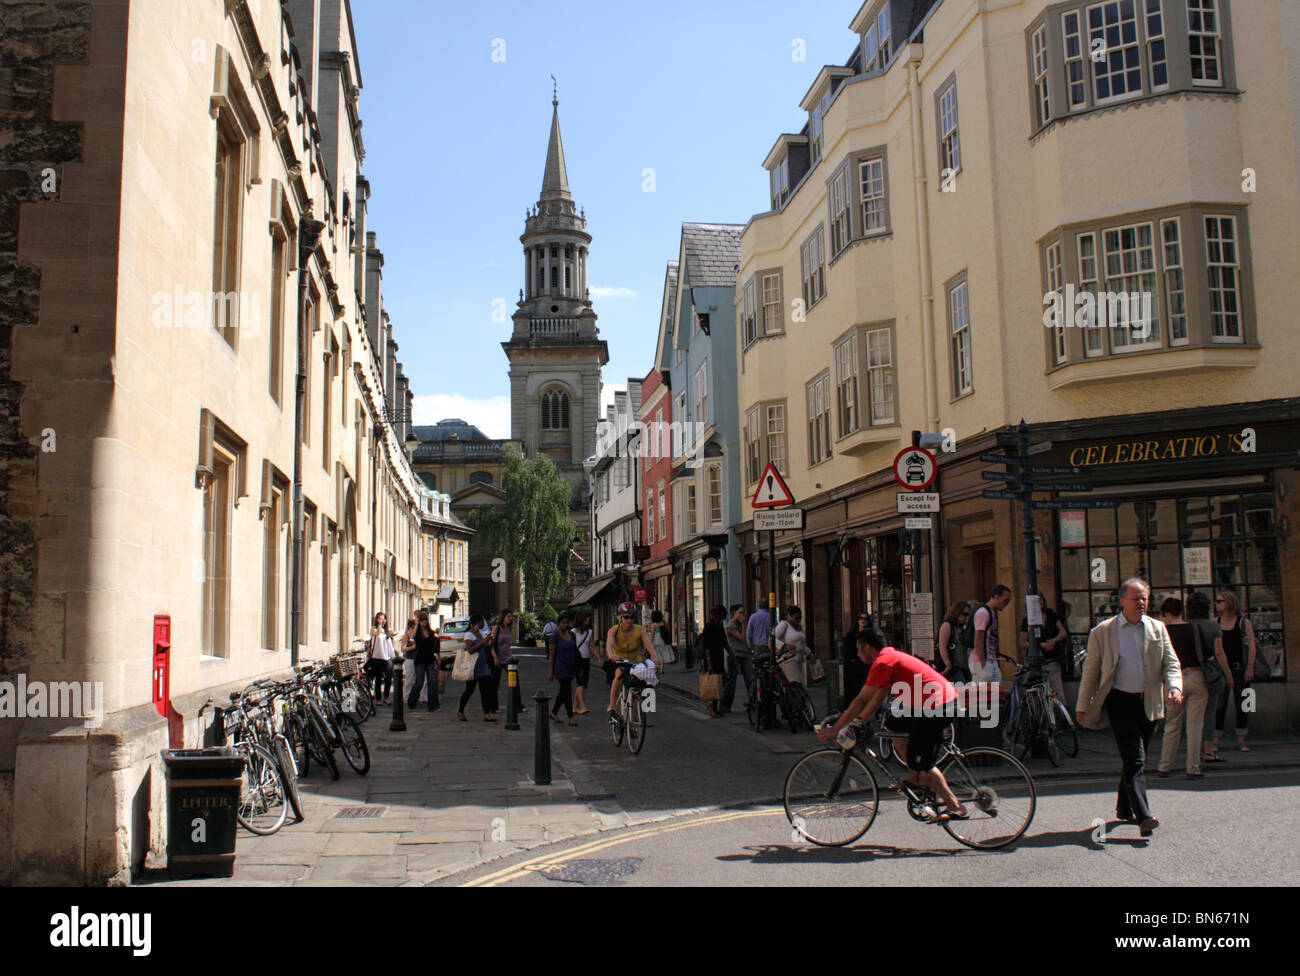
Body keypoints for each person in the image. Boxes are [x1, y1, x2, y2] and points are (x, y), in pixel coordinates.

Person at [820, 627, 966, 822]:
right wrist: (858, 722)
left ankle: (954, 805)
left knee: (921, 759)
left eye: (858, 649)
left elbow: (862, 700)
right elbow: (876, 699)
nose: (857, 653)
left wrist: (835, 729)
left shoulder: (883, 662)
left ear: (867, 647)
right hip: (929, 701)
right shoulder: (889, 657)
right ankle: (916, 778)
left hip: (938, 705)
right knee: (893, 725)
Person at [1075, 578, 1182, 836]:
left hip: (1148, 702)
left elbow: (1171, 663)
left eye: (1144, 598)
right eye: (1135, 598)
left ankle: (1124, 807)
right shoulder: (1103, 631)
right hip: (1119, 701)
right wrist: (1081, 706)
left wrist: (1175, 686)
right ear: (1122, 601)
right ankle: (1143, 816)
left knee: (1134, 757)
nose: (1141, 603)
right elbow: (1091, 673)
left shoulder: (1157, 628)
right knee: (1135, 759)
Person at [1155, 598, 1207, 779]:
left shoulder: (1163, 632)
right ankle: (1193, 768)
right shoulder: (1194, 629)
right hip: (1196, 676)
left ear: (1167, 614)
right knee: (1195, 726)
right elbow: (1206, 653)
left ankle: (1165, 766)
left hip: (1173, 681)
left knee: (1172, 724)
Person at [1186, 591, 1230, 766]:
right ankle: (1208, 751)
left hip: (1189, 673)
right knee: (1209, 713)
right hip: (1211, 675)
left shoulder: (1185, 626)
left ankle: (1192, 751)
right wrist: (1228, 675)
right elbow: (1219, 653)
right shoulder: (1213, 626)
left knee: (1190, 716)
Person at [1214, 589, 1257, 752]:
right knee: (1219, 705)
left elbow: (1251, 645)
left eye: (1220, 601)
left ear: (1229, 603)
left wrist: (1250, 667)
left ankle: (1242, 739)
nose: (1216, 604)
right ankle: (1216, 739)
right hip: (1221, 670)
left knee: (1245, 704)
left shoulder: (1243, 622)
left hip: (1241, 668)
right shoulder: (1216, 622)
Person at [604, 602, 662, 717]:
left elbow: (648, 644)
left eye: (632, 617)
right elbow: (609, 644)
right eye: (626, 617)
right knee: (619, 674)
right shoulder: (614, 630)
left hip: (636, 662)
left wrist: (656, 659)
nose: (629, 620)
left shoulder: (639, 630)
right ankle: (612, 706)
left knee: (646, 678)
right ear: (620, 618)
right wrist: (611, 655)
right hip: (619, 661)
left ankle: (644, 711)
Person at [1017, 600, 1070, 708]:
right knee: (1037, 693)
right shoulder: (1027, 619)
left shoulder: (1050, 614)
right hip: (1035, 662)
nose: (1039, 603)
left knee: (1057, 691)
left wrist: (1054, 641)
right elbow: (1022, 642)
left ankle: (1060, 717)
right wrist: (1041, 645)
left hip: (1052, 660)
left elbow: (1063, 632)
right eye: (1035, 600)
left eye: (1040, 600)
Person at [457, 613, 498, 722]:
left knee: (485, 690)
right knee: (469, 690)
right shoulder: (469, 635)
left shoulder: (480, 634)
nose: (482, 623)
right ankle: (460, 710)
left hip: (483, 665)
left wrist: (490, 640)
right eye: (481, 621)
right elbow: (470, 650)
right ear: (476, 622)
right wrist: (483, 642)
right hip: (472, 666)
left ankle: (486, 713)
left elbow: (486, 648)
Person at [969, 585, 1011, 684]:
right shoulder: (983, 613)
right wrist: (983, 664)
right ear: (996, 596)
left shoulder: (991, 613)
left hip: (990, 659)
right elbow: (978, 640)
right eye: (1005, 600)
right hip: (982, 660)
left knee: (994, 692)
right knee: (984, 694)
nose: (1006, 604)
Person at [489, 609, 524, 716]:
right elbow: (490, 644)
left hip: (509, 658)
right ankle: (493, 707)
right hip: (498, 659)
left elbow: (508, 646)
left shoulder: (510, 629)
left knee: (515, 682)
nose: (511, 618)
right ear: (503, 617)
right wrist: (495, 658)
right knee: (494, 684)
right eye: (509, 616)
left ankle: (518, 705)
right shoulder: (496, 629)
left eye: (511, 616)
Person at [548, 612, 580, 726]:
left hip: (570, 667)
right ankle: (571, 717)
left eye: (567, 623)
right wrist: (551, 671)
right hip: (560, 668)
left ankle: (553, 712)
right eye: (563, 623)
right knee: (567, 691)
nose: (565, 625)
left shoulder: (572, 635)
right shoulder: (554, 637)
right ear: (558, 624)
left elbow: (575, 651)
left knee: (563, 692)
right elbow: (551, 656)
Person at [720, 604, 753, 715]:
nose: (743, 615)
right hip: (735, 656)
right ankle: (724, 706)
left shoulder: (740, 624)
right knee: (731, 682)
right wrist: (744, 624)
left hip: (745, 655)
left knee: (750, 680)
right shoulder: (730, 626)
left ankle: (752, 704)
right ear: (734, 613)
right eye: (740, 613)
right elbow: (742, 638)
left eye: (743, 613)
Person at [406, 611, 440, 712]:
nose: (424, 622)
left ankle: (433, 705)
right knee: (419, 683)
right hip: (420, 660)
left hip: (430, 659)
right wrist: (416, 624)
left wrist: (438, 658)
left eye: (425, 619)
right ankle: (411, 702)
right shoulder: (417, 633)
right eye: (422, 620)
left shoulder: (431, 632)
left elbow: (436, 647)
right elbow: (411, 637)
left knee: (432, 682)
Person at [700, 605, 728, 718]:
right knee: (715, 683)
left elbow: (725, 643)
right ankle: (713, 707)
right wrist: (709, 663)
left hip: (719, 657)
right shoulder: (709, 627)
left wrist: (733, 657)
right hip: (712, 658)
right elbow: (706, 646)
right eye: (723, 614)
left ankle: (713, 706)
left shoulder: (720, 626)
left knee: (722, 681)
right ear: (718, 615)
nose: (725, 616)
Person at [774, 606, 812, 688]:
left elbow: (801, 644)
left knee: (795, 684)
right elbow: (772, 639)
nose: (798, 620)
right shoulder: (784, 625)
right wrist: (784, 645)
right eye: (796, 618)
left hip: (798, 659)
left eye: (800, 618)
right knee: (795, 683)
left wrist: (809, 653)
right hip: (788, 659)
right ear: (790, 616)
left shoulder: (799, 627)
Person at [936, 603, 971, 684]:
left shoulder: (963, 628)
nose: (966, 618)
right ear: (957, 613)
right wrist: (948, 665)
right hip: (953, 666)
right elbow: (942, 646)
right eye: (965, 614)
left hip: (964, 667)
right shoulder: (947, 626)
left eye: (968, 615)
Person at [841, 611, 871, 705]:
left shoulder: (871, 634)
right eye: (861, 618)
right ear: (857, 621)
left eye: (865, 619)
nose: (863, 621)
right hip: (853, 666)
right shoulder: (851, 634)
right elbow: (847, 649)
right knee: (853, 691)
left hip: (866, 665)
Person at [367, 612, 396, 705]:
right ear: (376, 619)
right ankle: (378, 699)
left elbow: (390, 644)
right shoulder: (374, 629)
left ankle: (386, 697)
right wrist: (379, 626)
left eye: (383, 618)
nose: (382, 620)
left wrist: (393, 656)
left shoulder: (388, 630)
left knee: (388, 678)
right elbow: (376, 633)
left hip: (387, 657)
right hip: (377, 657)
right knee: (378, 678)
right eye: (379, 618)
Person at [571, 610, 594, 715]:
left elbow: (592, 647)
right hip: (577, 660)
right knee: (581, 683)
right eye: (586, 620)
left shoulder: (589, 632)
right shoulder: (573, 632)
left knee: (583, 684)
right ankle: (583, 706)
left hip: (586, 659)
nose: (588, 621)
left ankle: (575, 707)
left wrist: (598, 658)